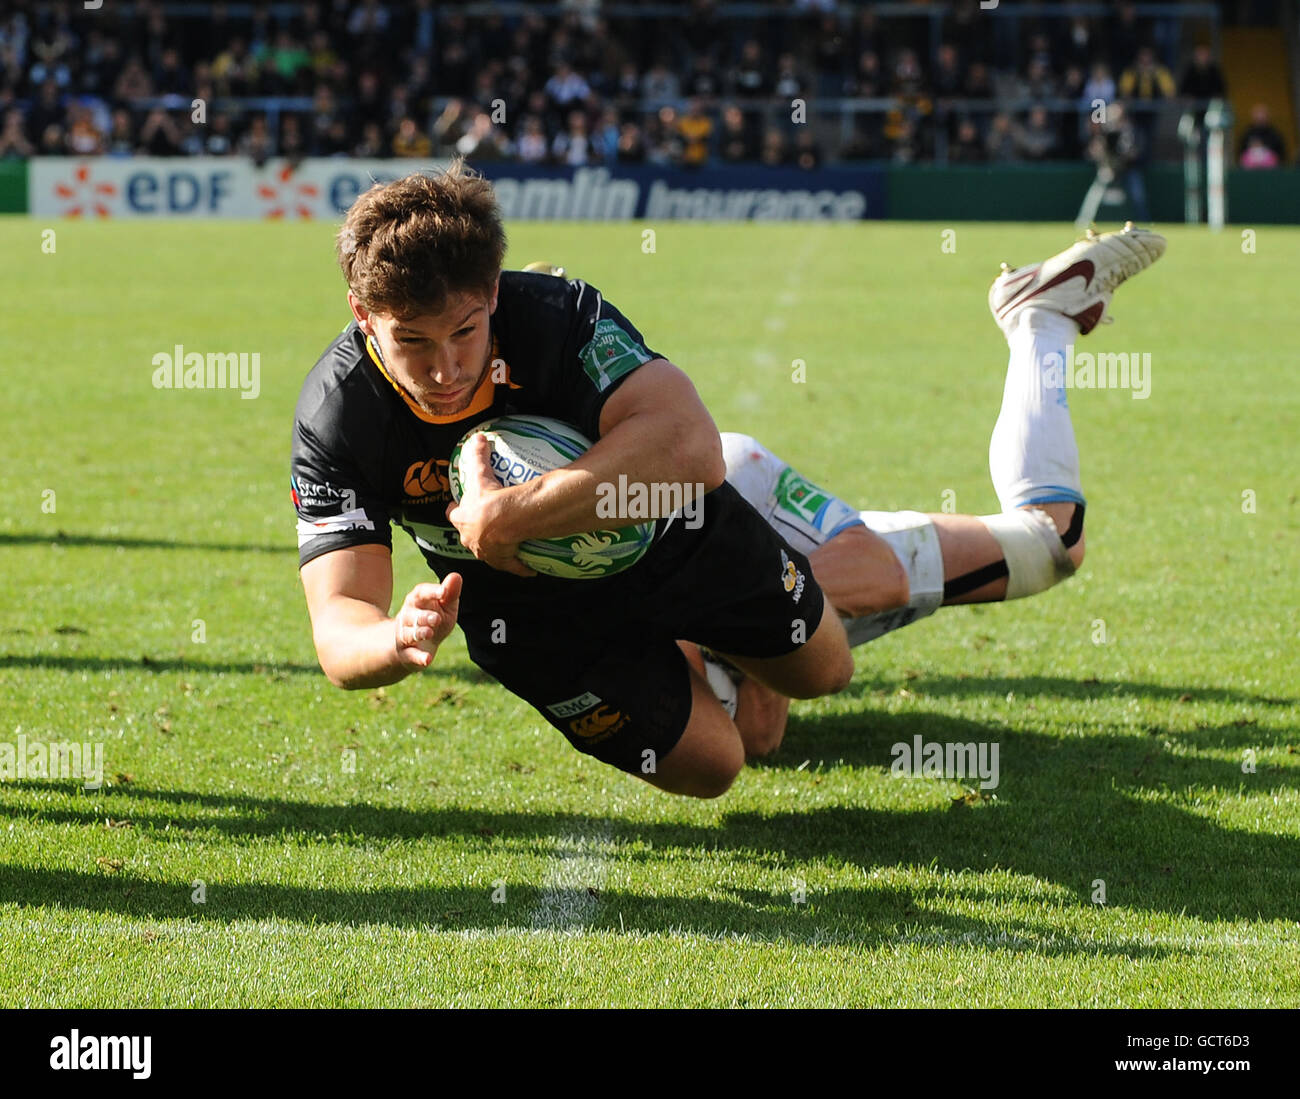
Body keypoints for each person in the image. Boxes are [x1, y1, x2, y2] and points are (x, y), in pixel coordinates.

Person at [291, 162, 854, 801]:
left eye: (465, 332)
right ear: (363, 315)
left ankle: (717, 633)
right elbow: (338, 625)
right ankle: (700, 651)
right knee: (717, 766)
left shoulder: (555, 315)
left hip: (669, 532)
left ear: (495, 292)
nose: (444, 369)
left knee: (826, 673)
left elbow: (694, 449)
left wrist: (511, 517)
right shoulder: (338, 416)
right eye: (412, 340)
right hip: (527, 617)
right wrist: (394, 637)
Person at [532, 225, 1166, 745]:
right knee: (1054, 541)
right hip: (740, 590)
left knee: (1055, 540)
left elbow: (874, 570)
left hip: (738, 497)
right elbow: (759, 737)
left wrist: (730, 614)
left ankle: (1039, 323)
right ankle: (1042, 319)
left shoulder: (690, 477)